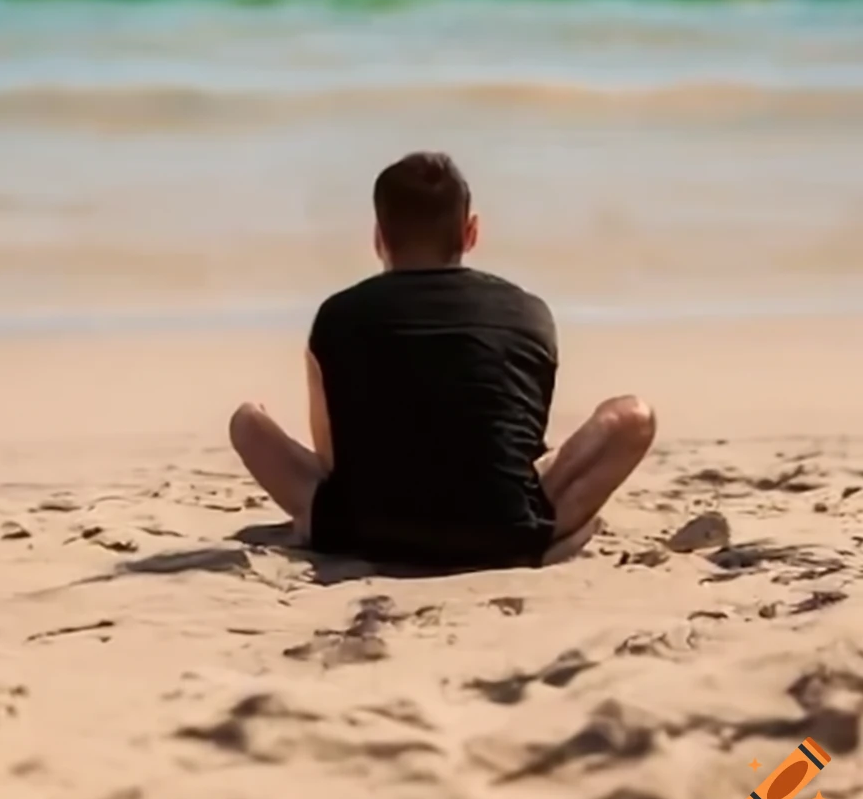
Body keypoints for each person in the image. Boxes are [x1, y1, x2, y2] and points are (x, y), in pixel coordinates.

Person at [229, 152, 656, 568]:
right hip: (502, 533)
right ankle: (560, 531)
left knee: (248, 422)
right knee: (634, 417)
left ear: (379, 236)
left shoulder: (337, 316)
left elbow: (332, 461)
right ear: (471, 233)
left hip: (361, 532)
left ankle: (310, 526)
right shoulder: (528, 312)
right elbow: (519, 443)